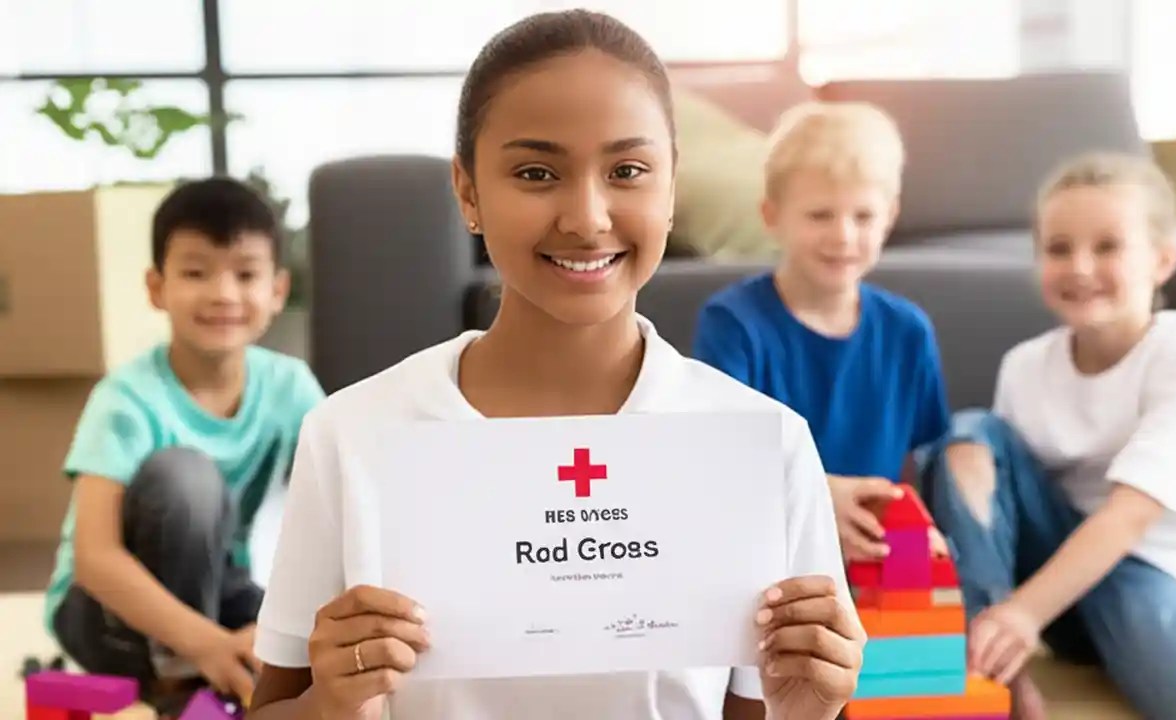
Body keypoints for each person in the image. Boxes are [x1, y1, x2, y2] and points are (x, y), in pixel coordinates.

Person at [246, 10, 862, 720]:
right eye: (536, 173)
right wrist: (329, 707)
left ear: (670, 187)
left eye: (627, 171)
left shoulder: (763, 446)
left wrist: (806, 714)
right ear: (468, 192)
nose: (587, 218)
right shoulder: (353, 435)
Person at [920, 152, 1176, 719]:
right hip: (1071, 579)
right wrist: (1006, 614)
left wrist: (1027, 612)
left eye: (1108, 247)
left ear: (1162, 260)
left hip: (1172, 567)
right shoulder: (1024, 366)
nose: (1080, 267)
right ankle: (991, 664)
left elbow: (1131, 516)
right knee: (969, 436)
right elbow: (999, 512)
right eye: (1059, 249)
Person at [44, 177, 326, 711]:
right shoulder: (126, 398)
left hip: (217, 592)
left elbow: (338, 499)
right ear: (156, 287)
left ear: (277, 290)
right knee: (186, 478)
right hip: (107, 613)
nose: (223, 293)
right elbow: (94, 559)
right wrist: (205, 646)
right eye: (196, 273)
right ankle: (184, 689)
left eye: (246, 274)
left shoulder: (289, 386)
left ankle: (205, 678)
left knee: (302, 653)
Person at [691, 101, 950, 564]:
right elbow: (718, 460)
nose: (843, 236)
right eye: (819, 215)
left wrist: (917, 539)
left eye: (863, 216)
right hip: (770, 547)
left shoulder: (908, 330)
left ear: (890, 216)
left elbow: (917, 464)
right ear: (772, 216)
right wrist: (821, 494)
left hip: (877, 550)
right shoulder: (732, 323)